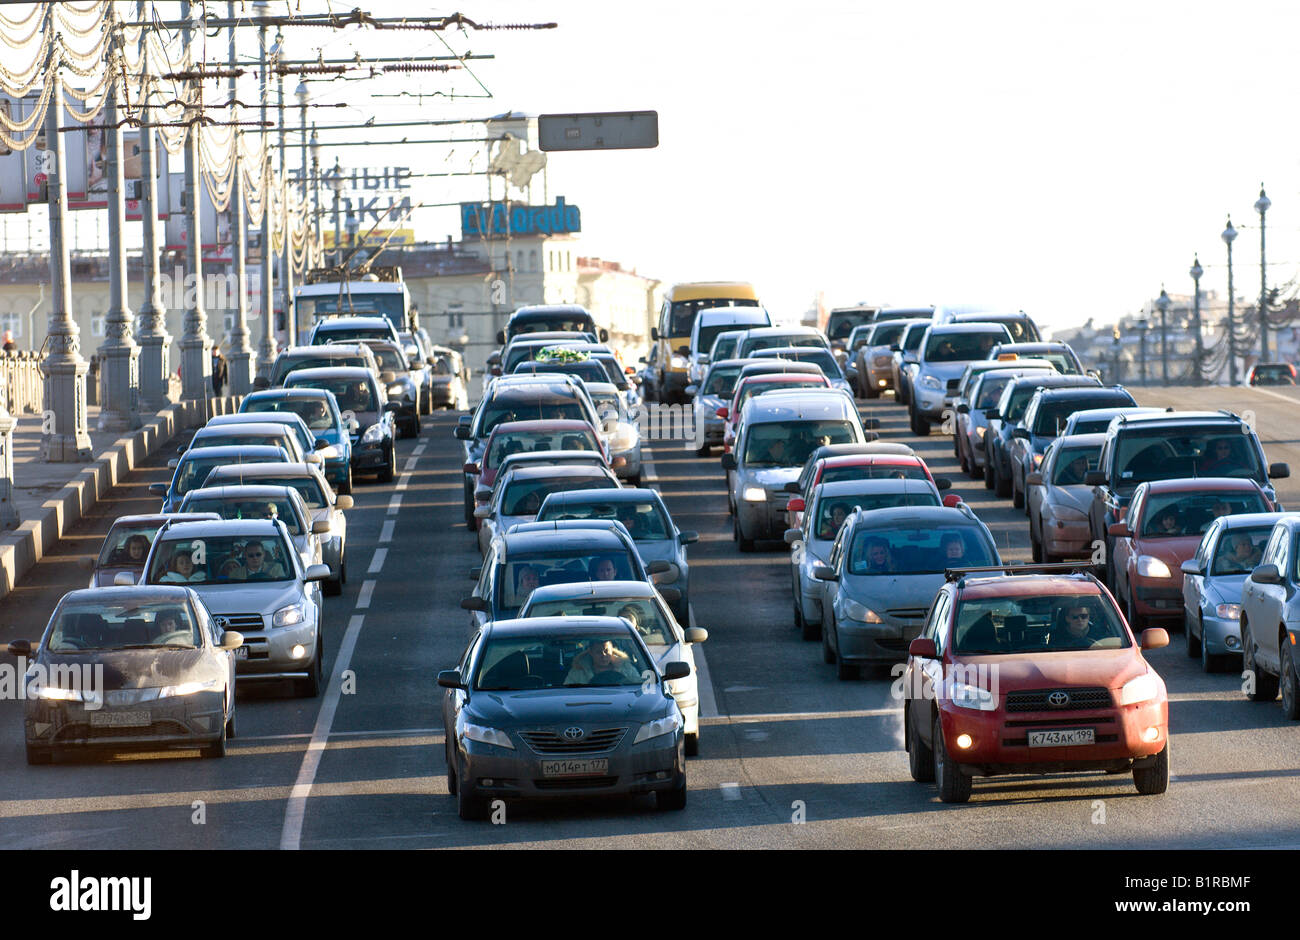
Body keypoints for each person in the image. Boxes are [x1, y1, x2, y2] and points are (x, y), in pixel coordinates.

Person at [564, 638, 641, 685]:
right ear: (591, 653)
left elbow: (639, 687)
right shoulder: (579, 671)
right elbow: (567, 692)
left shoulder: (626, 668)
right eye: (598, 652)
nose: (603, 655)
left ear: (612, 650)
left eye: (606, 651)